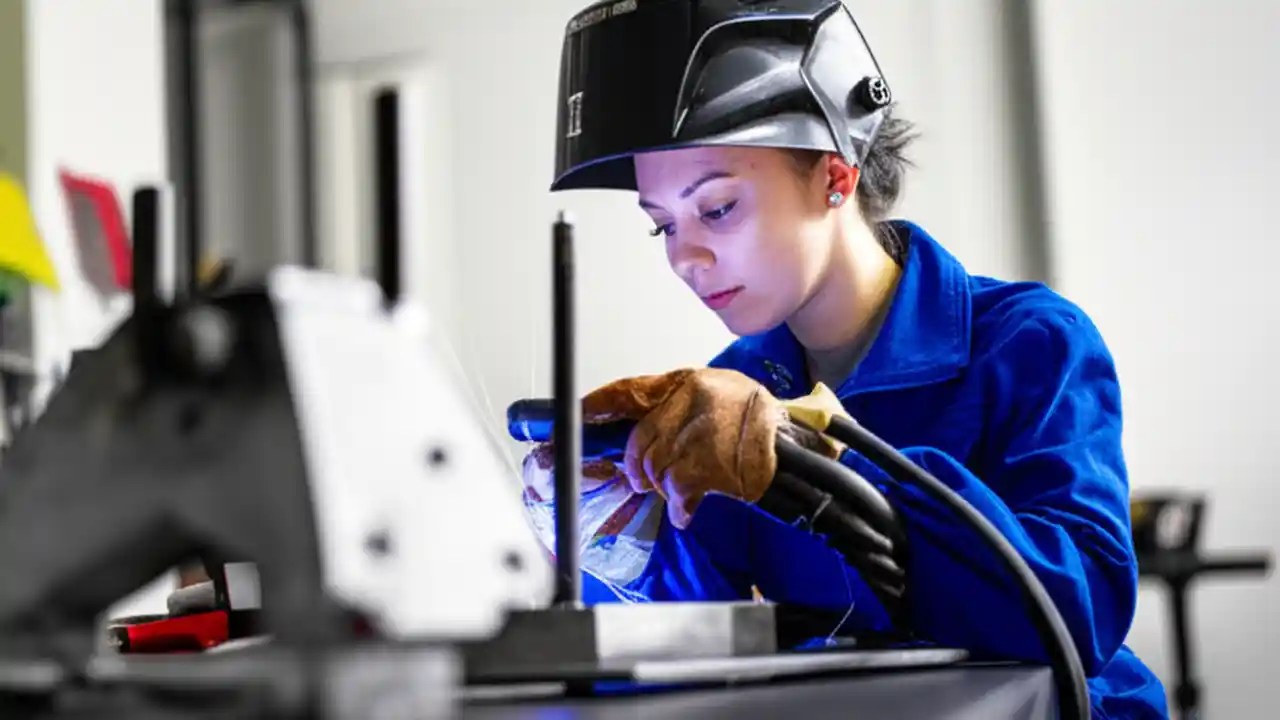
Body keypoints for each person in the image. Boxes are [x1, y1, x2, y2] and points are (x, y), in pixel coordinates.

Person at [530, 1, 1168, 716]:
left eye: (715, 209)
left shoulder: (1028, 342)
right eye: (663, 227)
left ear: (836, 178)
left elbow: (1080, 615)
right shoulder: (734, 388)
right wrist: (620, 546)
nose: (685, 256)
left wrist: (822, 459)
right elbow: (713, 642)